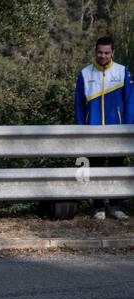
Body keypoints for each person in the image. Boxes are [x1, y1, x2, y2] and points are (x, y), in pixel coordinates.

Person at [74, 35, 133, 220]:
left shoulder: (123, 71)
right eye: (100, 52)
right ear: (95, 52)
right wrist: (81, 128)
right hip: (92, 131)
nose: (103, 55)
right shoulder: (85, 73)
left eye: (107, 52)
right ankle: (98, 206)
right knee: (96, 169)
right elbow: (78, 104)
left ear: (113, 53)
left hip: (117, 131)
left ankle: (115, 206)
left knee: (117, 168)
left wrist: (128, 129)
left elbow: (130, 102)